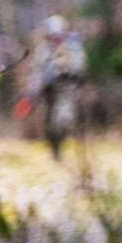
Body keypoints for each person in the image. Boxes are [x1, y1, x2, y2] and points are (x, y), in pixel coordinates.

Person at [29, 15, 86, 159]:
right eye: (52, 35)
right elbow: (36, 71)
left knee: (64, 120)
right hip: (48, 92)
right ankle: (55, 151)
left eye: (57, 35)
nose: (55, 38)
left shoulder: (73, 48)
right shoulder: (42, 50)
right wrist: (33, 91)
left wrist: (68, 71)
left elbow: (79, 67)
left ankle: (64, 146)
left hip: (66, 89)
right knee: (49, 123)